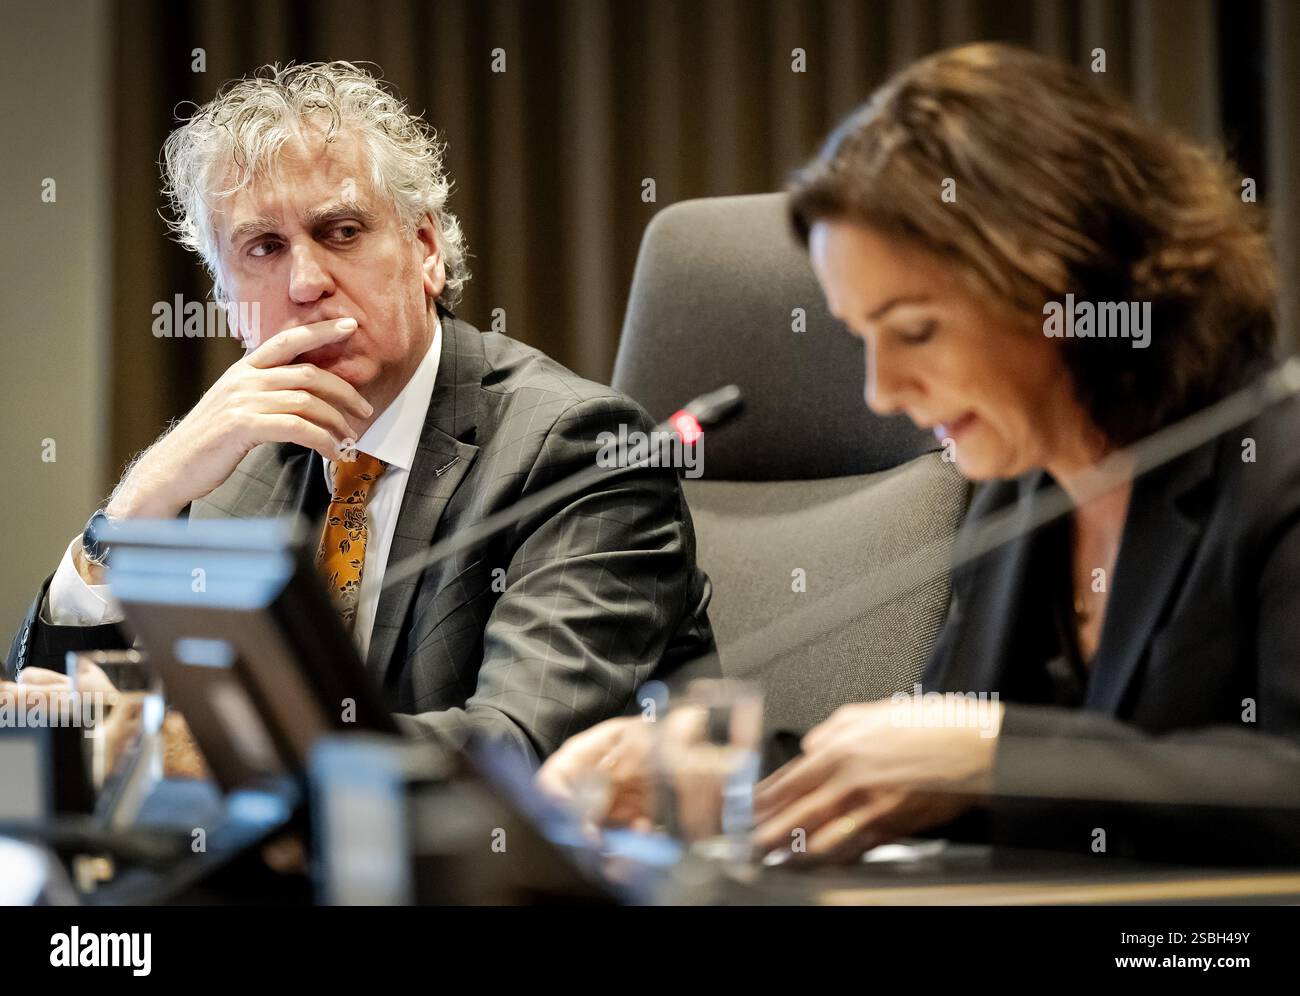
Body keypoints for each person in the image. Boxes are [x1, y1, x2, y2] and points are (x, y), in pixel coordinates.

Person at [539, 42, 1300, 864]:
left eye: (915, 331)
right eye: (863, 337)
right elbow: (929, 779)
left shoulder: (1275, 468)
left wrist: (993, 758)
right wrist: (700, 778)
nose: (881, 390)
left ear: (1068, 287)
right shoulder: (1026, 492)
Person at [4, 61, 714, 767]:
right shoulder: (236, 466)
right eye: (264, 247)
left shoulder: (576, 451)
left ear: (426, 249)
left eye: (341, 231)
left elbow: (517, 750)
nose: (307, 283)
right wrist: (139, 502)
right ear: (225, 298)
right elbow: (57, 714)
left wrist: (226, 748)